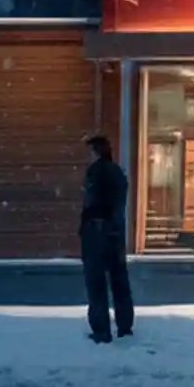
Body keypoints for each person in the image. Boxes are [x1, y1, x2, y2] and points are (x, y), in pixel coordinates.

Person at [80, 134, 134, 343]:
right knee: (119, 280)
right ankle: (125, 326)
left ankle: (101, 329)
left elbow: (92, 205)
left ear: (95, 151)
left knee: (96, 283)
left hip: (97, 234)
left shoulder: (96, 172)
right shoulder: (118, 173)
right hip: (116, 233)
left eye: (89, 151)